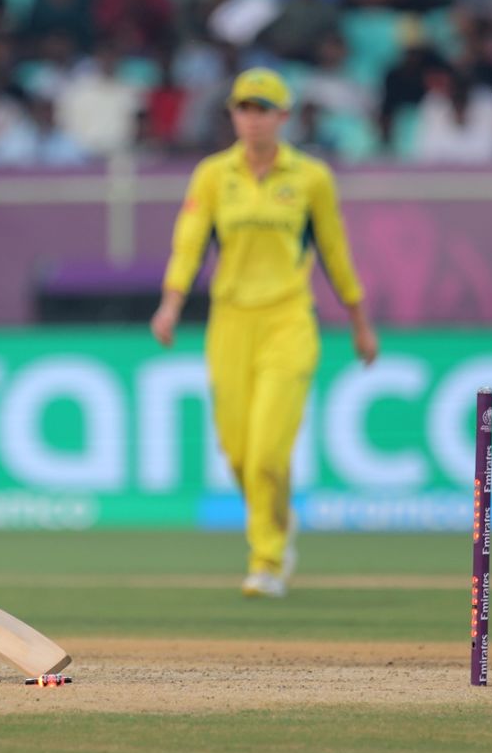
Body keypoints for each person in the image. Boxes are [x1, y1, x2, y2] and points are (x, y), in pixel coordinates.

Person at [150, 68, 379, 599]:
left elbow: (334, 252)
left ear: (283, 116)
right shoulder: (213, 174)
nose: (251, 120)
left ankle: (268, 558)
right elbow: (189, 243)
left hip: (288, 320)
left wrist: (360, 322)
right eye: (243, 109)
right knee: (236, 453)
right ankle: (277, 524)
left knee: (267, 455)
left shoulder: (310, 177)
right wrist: (170, 304)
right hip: (230, 321)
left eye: (262, 109)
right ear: (232, 114)